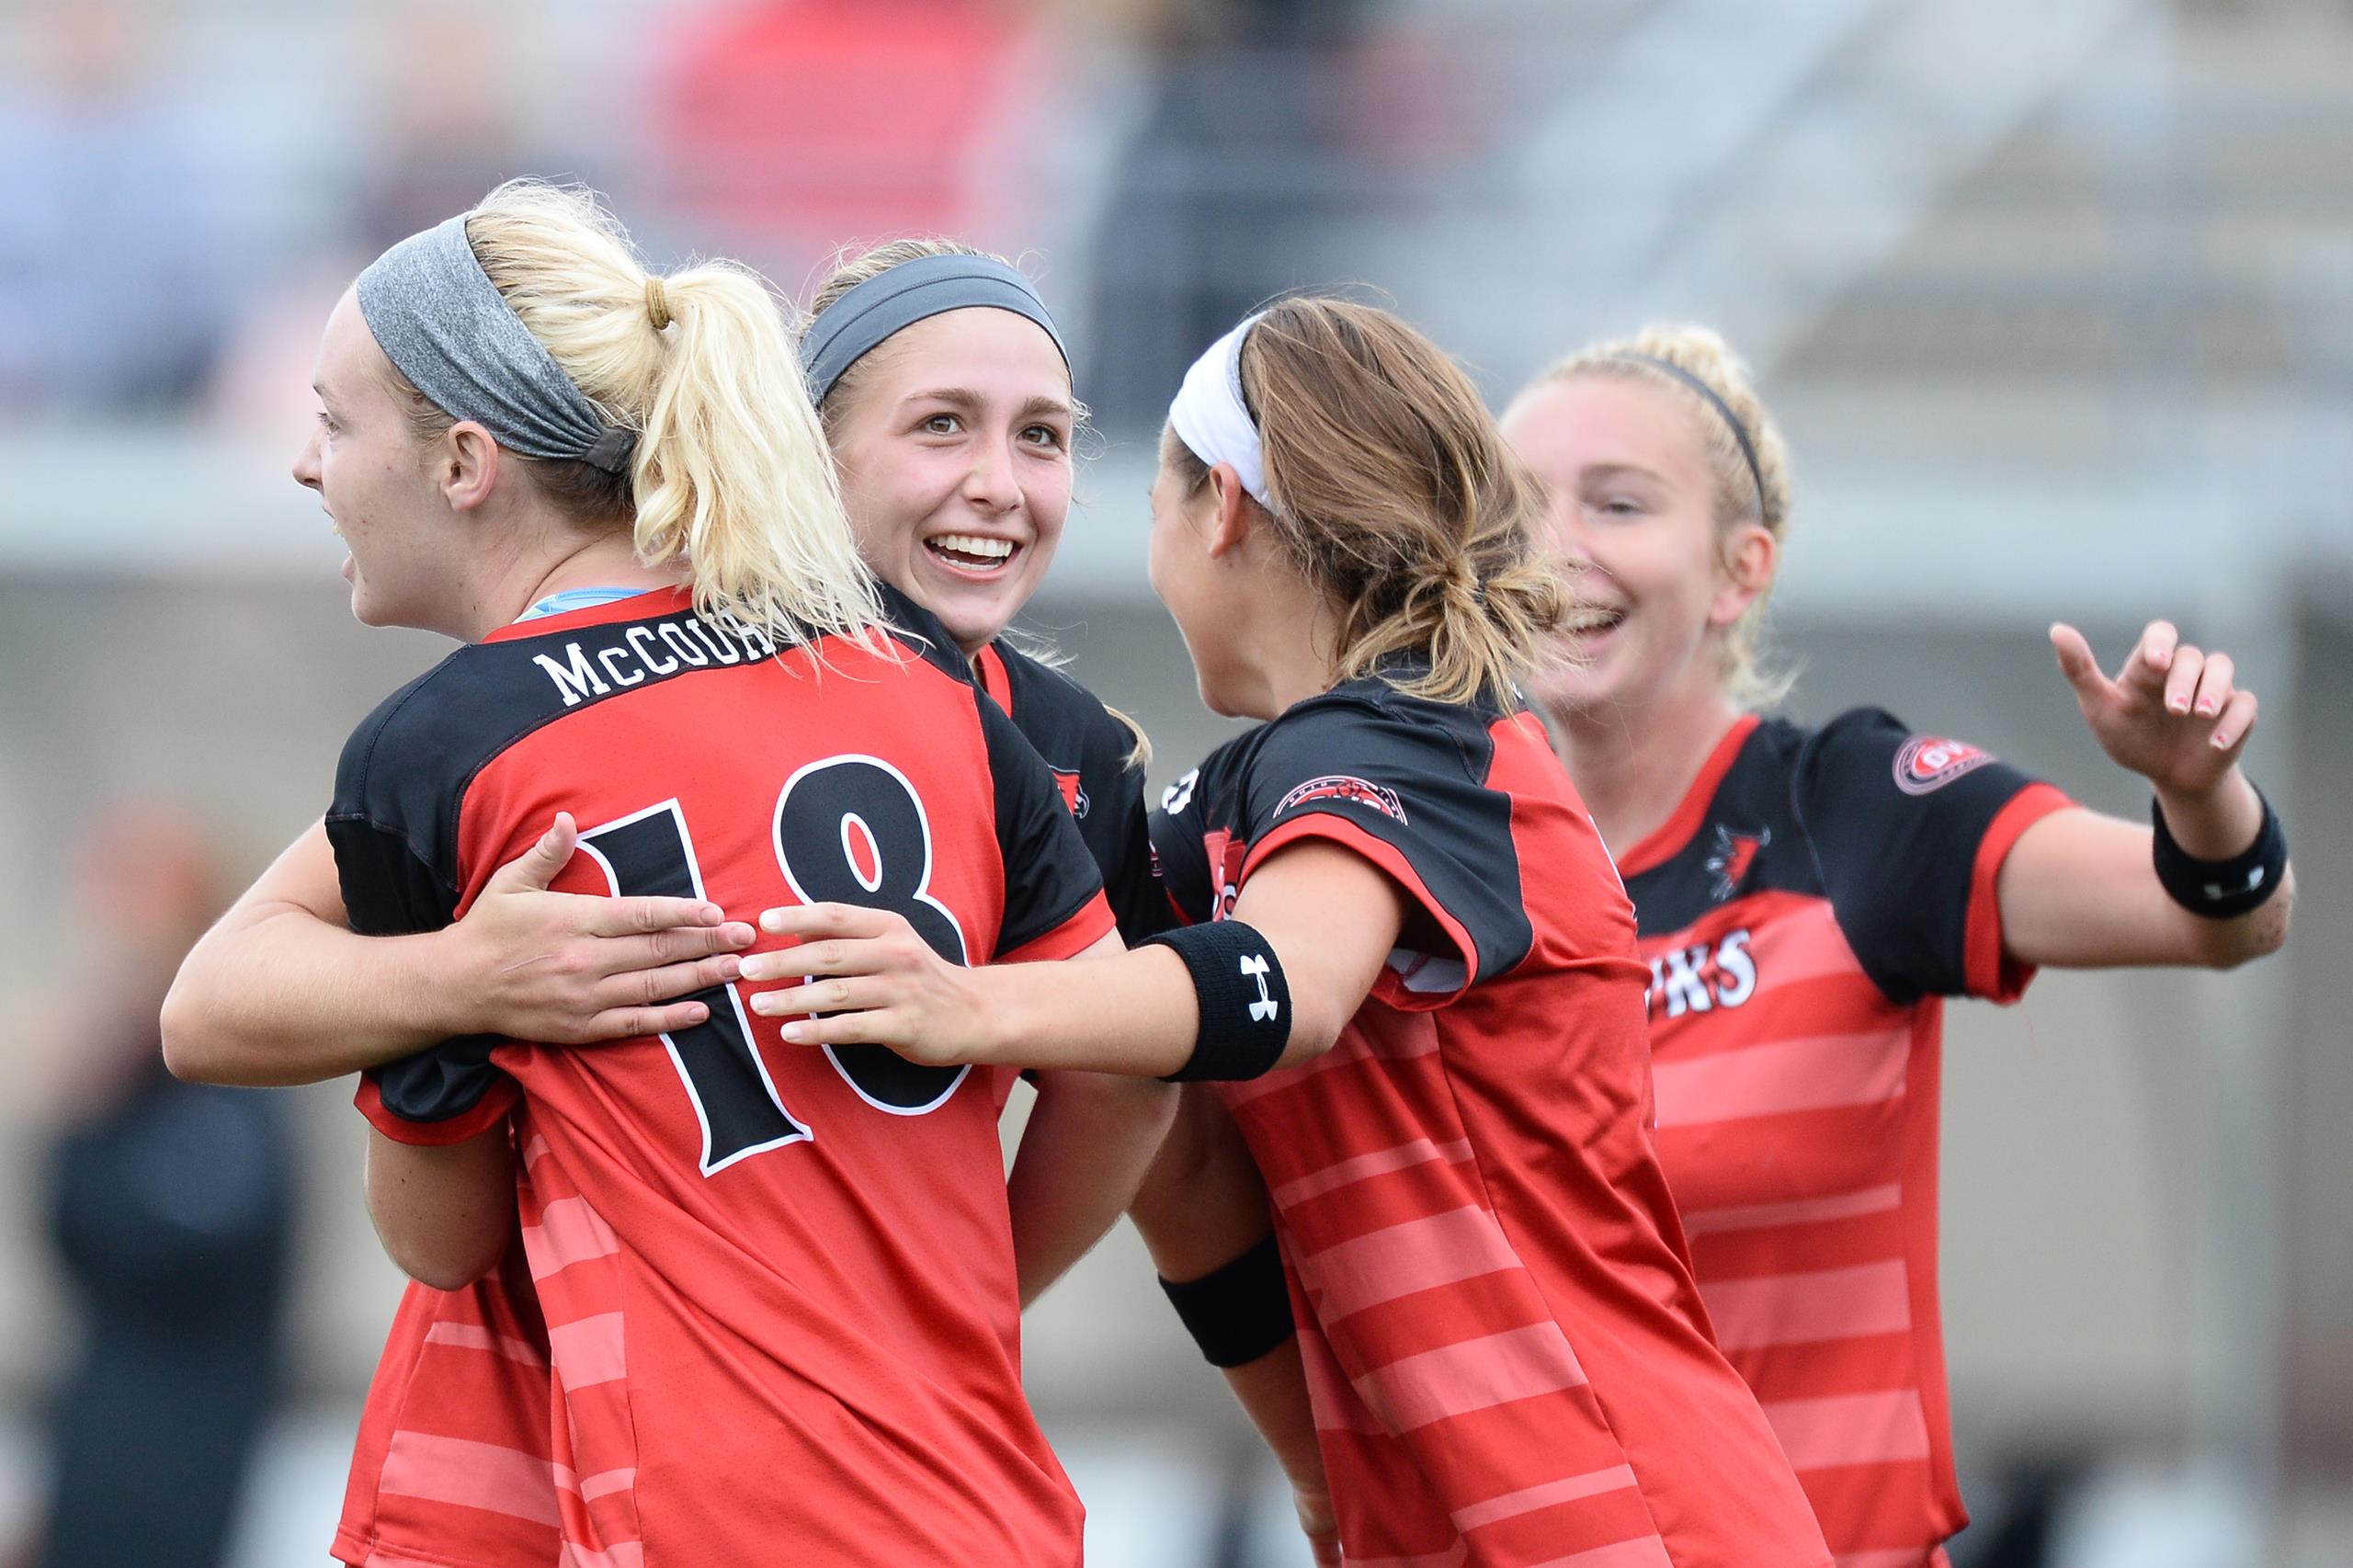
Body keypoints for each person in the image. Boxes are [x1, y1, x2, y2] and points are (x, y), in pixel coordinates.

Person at [749, 299, 1834, 1566]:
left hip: (1616, 1500)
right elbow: (1186, 1158)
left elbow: (1286, 989)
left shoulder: (1418, 729)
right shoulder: (1232, 802)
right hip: (1434, 1514)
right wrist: (1319, 1471)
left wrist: (963, 1003)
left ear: (1220, 507)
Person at [165, 179, 1153, 1567]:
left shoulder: (462, 740)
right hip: (969, 1495)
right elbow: (1133, 1068)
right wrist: (943, 1304)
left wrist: (444, 989)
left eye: (336, 422)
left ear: (465, 461)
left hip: (641, 1498)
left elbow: (415, 1214)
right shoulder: (942, 705)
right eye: (944, 424)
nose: (308, 464)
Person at [1495, 325, 2296, 1568]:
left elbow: (2225, 911)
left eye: (1618, 503)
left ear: (1736, 573)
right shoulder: (1442, 857)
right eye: (1512, 509)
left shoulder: (1854, 808)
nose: (1554, 547)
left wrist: (2197, 794)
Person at [32, 806, 290, 1568]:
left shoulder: (236, 1084)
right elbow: (75, 1244)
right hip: (96, 1448)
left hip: (182, 1469)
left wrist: (87, 1109)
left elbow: (160, 1245)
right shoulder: (125, 1093)